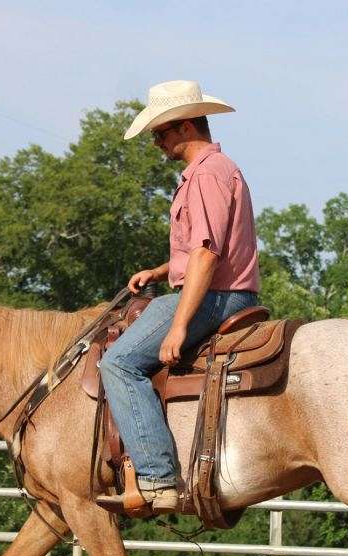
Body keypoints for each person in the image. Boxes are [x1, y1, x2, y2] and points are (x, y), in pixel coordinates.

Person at [97, 80, 261, 512]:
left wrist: (181, 325)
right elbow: (204, 248)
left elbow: (207, 253)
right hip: (222, 289)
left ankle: (156, 478)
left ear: (186, 125)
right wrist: (159, 270)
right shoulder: (217, 170)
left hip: (215, 296)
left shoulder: (206, 173)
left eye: (161, 132)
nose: (156, 142)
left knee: (118, 362)